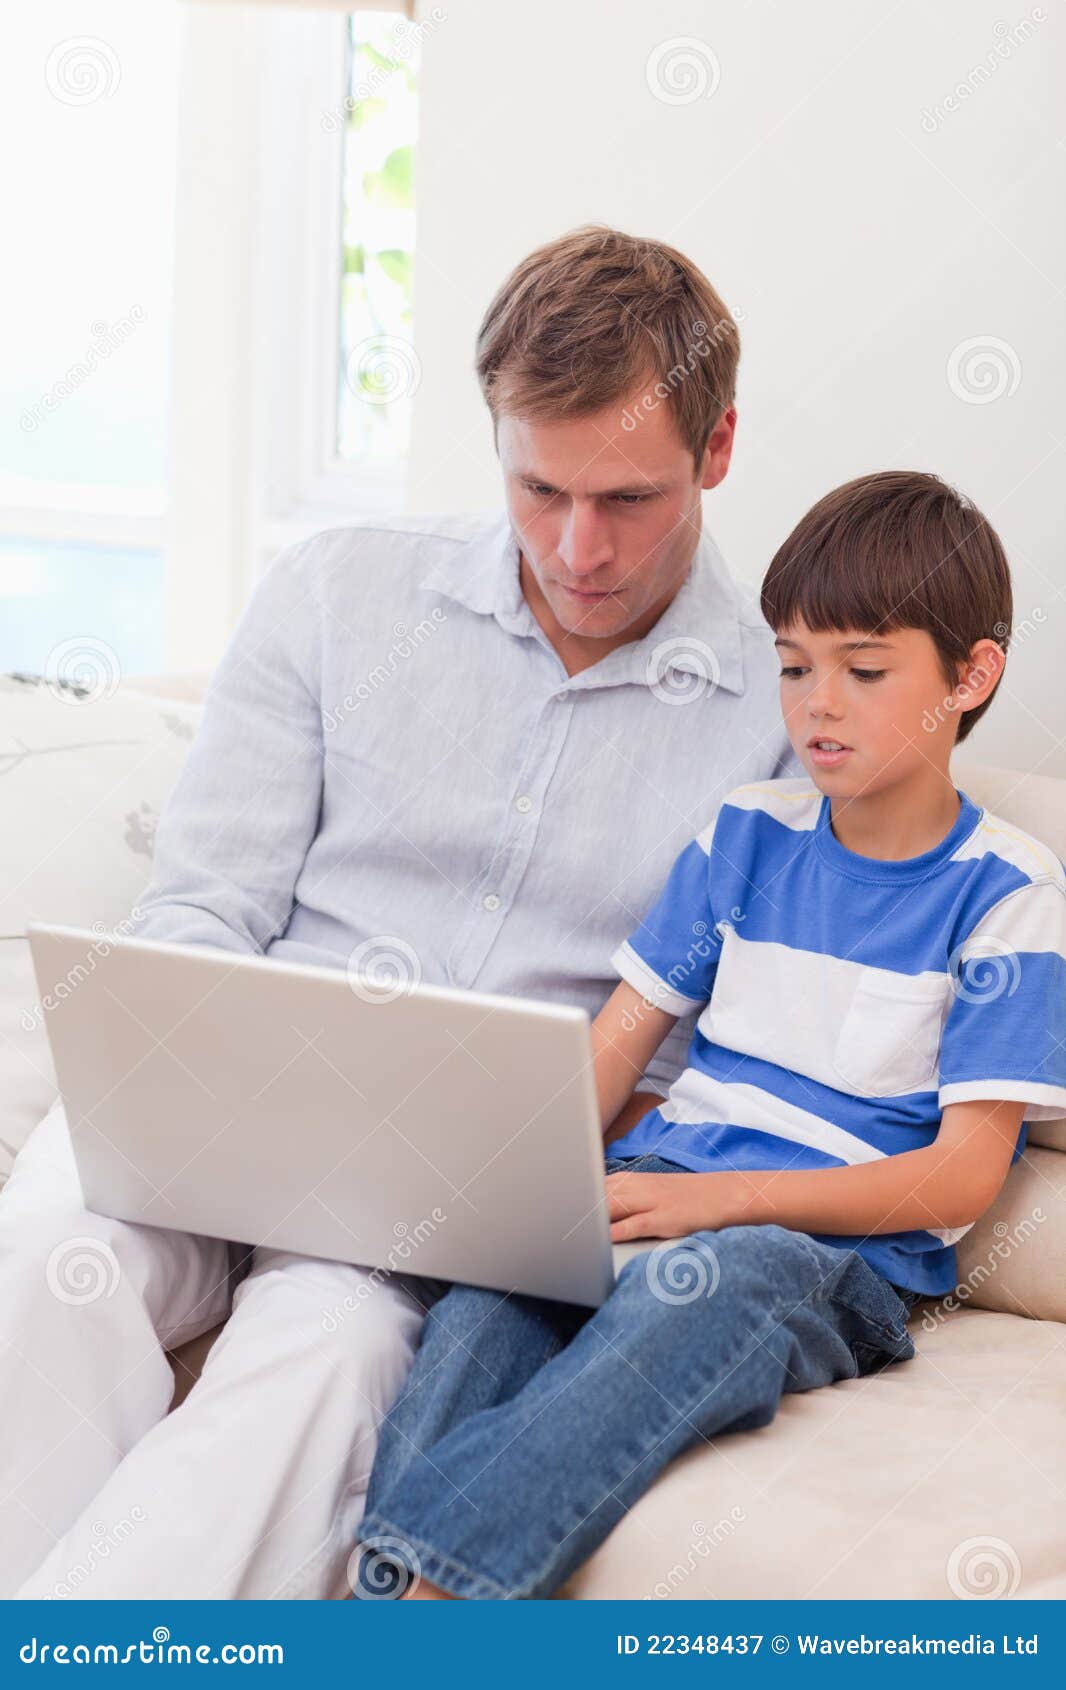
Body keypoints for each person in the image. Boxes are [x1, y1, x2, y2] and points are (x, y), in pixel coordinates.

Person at [0, 228, 797, 1599]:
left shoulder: (783, 717)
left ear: (715, 450)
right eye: (535, 484)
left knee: (324, 1364)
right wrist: (186, 1070)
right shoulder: (335, 592)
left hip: (440, 1210)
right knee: (51, 1260)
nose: (574, 545)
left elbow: (707, 1050)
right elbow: (205, 902)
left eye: (626, 498)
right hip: (210, 1099)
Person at [354, 470, 1066, 1602]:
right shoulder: (747, 831)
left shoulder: (1007, 895)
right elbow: (613, 1046)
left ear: (970, 673)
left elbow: (959, 1176)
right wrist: (513, 1185)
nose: (815, 705)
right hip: (653, 1183)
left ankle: (416, 1596)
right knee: (488, 1295)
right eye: (792, 666)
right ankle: (400, 1607)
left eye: (863, 671)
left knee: (705, 1280)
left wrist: (716, 1200)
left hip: (824, 1257)